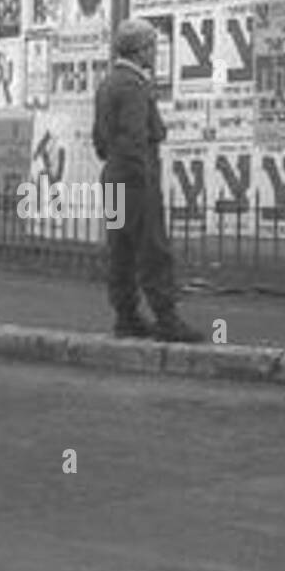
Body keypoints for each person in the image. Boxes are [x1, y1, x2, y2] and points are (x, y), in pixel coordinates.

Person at [93, 18, 203, 343]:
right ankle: (167, 319)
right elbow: (135, 138)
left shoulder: (108, 83)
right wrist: (142, 178)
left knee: (120, 249)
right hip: (136, 181)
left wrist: (117, 164)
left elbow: (100, 139)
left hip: (113, 178)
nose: (155, 52)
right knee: (152, 248)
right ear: (141, 50)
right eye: (152, 46)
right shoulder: (133, 85)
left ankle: (126, 317)